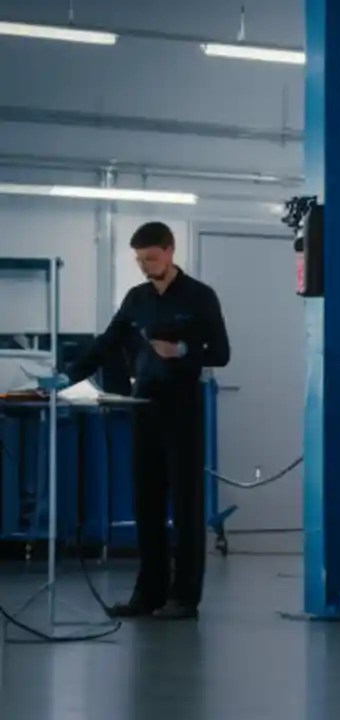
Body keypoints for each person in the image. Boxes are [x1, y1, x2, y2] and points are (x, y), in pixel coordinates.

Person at [43, 221, 230, 620]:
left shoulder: (199, 297)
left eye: (152, 258)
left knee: (185, 505)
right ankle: (148, 594)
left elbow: (221, 353)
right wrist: (65, 377)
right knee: (146, 503)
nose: (146, 267)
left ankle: (184, 597)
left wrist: (181, 349)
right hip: (144, 407)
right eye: (140, 261)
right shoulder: (136, 299)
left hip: (182, 410)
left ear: (169, 250)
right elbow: (107, 342)